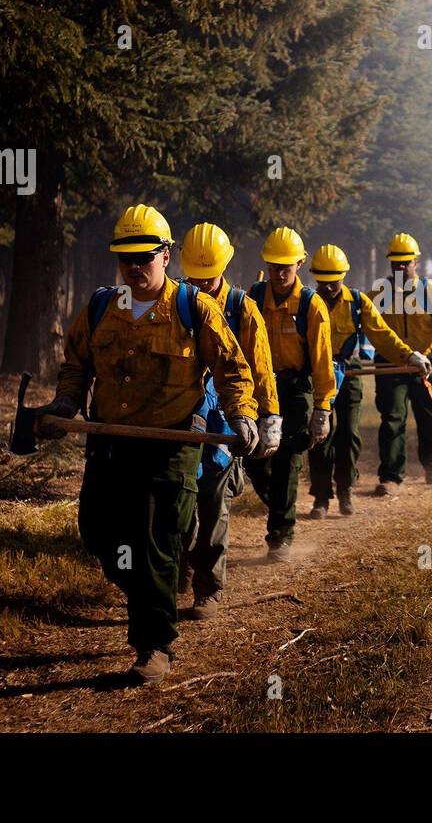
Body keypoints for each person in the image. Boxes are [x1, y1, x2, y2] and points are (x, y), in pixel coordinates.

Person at [35, 203, 259, 685]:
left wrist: (243, 415)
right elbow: (76, 363)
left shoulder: (192, 308)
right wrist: (65, 404)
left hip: (171, 445)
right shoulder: (100, 307)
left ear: (166, 254)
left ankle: (153, 645)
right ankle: (151, 587)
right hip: (111, 444)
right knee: (98, 531)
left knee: (154, 542)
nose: (134, 266)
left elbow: (233, 368)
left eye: (144, 256)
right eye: (125, 257)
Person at [175, 222, 281, 620]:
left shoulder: (242, 308)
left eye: (208, 277)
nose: (201, 284)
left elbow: (262, 368)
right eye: (194, 277)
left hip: (225, 421)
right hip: (182, 417)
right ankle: (183, 564)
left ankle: (209, 588)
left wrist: (268, 416)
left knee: (214, 500)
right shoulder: (176, 302)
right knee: (180, 498)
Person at [306, 243, 428, 517]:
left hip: (349, 373)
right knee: (318, 437)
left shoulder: (359, 302)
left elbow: (382, 334)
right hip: (316, 374)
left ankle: (346, 490)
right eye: (322, 282)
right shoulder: (306, 302)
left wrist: (409, 356)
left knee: (348, 435)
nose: (327, 288)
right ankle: (321, 497)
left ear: (344, 276)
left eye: (333, 282)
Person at [243, 227, 336, 562]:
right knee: (253, 458)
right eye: (273, 265)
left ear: (300, 263)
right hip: (257, 390)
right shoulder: (253, 297)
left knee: (287, 462)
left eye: (286, 266)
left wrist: (322, 408)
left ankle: (280, 535)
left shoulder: (312, 305)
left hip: (295, 391)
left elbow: (324, 362)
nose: (280, 273)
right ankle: (281, 505)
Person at [372, 233, 432, 494]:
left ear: (415, 262)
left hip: (427, 366)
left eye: (404, 263)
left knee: (431, 416)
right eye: (395, 263)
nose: (399, 267)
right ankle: (390, 476)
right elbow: (369, 326)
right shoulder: (379, 292)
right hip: (391, 365)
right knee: (392, 419)